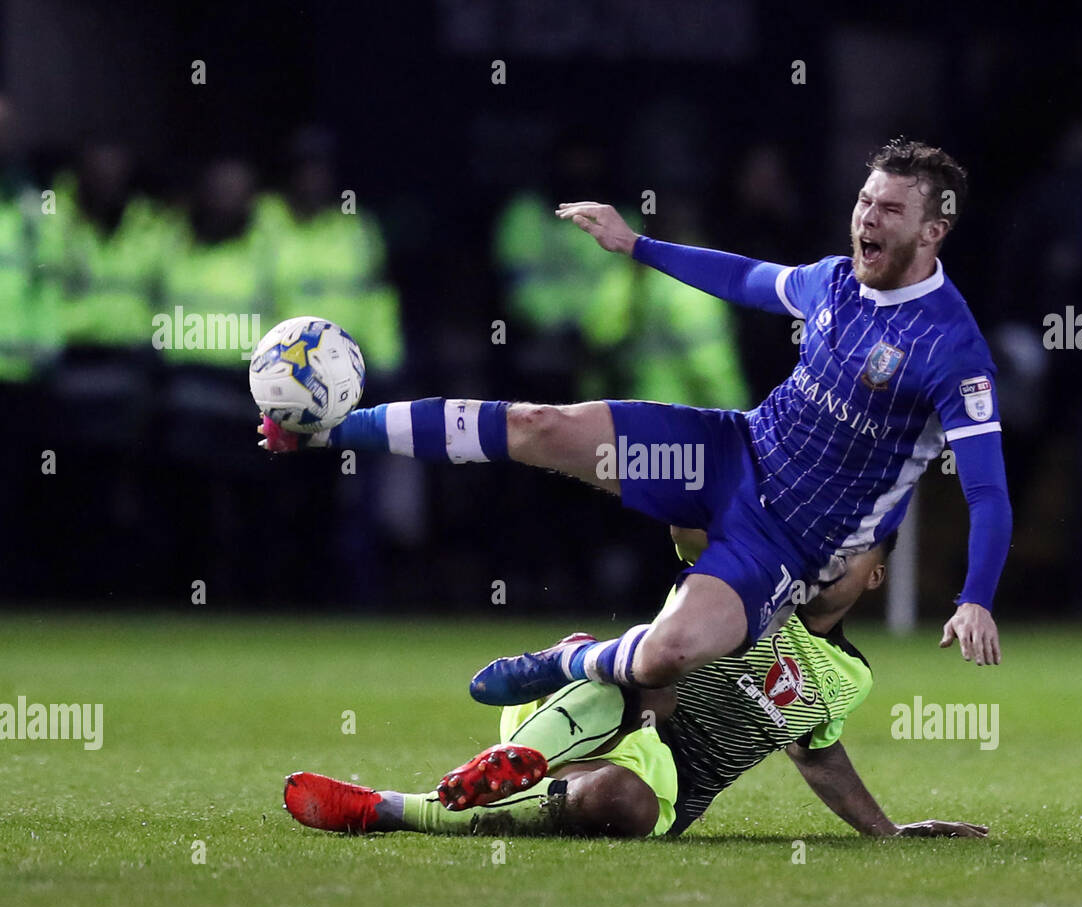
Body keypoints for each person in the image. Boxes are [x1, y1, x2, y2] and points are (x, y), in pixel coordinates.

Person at [260, 138, 1012, 711]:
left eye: (888, 210)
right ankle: (330, 430)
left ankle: (575, 659)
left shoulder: (953, 349)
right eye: (864, 201)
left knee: (664, 657)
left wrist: (975, 595)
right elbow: (744, 278)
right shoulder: (835, 281)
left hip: (786, 541)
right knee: (538, 423)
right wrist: (635, 245)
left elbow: (987, 492)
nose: (866, 219)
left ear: (934, 231)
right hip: (726, 453)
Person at [284, 529, 987, 840]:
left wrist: (887, 831)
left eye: (858, 542)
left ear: (878, 574)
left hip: (662, 782)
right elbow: (689, 533)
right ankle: (393, 807)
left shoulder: (849, 677)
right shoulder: (751, 585)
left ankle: (531, 736)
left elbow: (817, 752)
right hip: (613, 710)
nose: (838, 546)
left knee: (628, 804)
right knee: (651, 686)